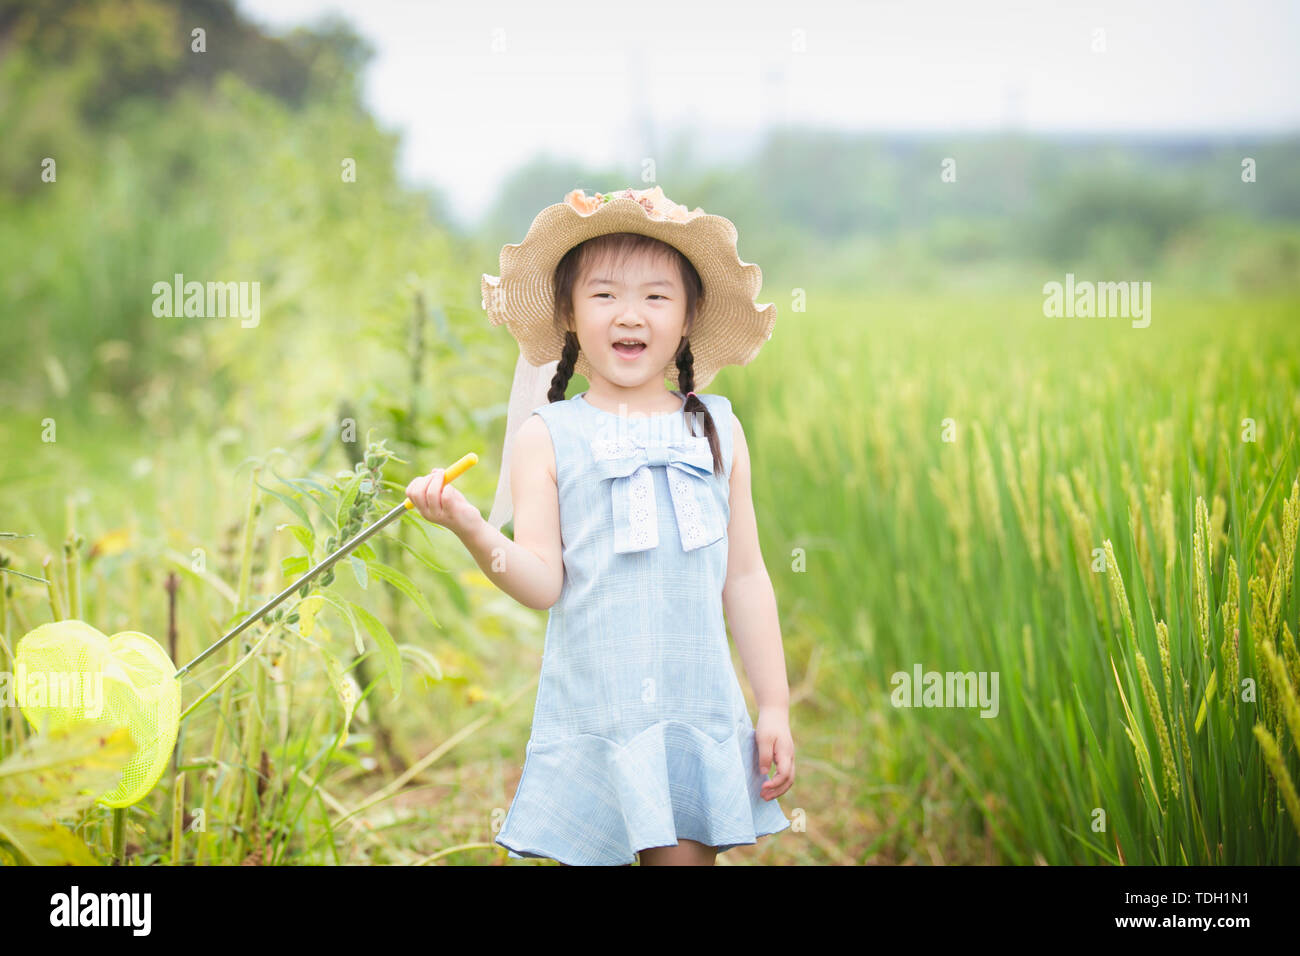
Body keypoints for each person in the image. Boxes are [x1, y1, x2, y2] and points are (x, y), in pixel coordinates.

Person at [406, 185, 793, 866]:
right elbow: (541, 581)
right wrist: (469, 526)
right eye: (604, 294)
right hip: (598, 725)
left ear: (689, 314)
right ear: (568, 312)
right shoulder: (549, 436)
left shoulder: (718, 429)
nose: (629, 314)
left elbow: (746, 576)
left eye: (656, 295)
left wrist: (775, 705)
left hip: (690, 715)